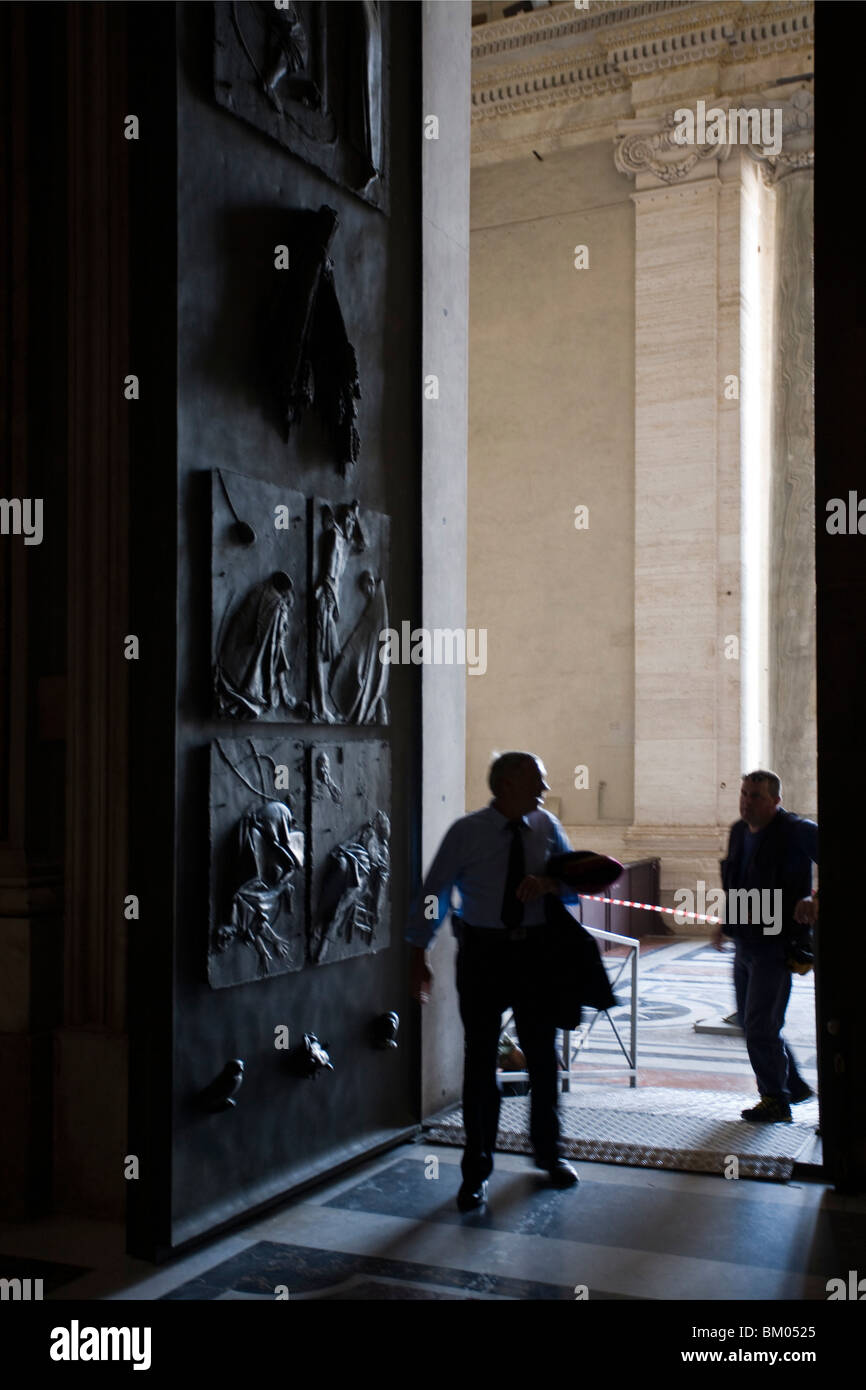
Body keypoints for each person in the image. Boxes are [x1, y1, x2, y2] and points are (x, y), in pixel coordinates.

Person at [406, 751, 582, 1211]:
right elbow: (434, 894)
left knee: (543, 1057)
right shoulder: (466, 833)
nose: (544, 790)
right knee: (481, 1060)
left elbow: (573, 888)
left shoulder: (548, 827)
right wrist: (417, 952)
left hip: (537, 953)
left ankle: (550, 1154)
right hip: (483, 954)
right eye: (536, 782)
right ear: (505, 785)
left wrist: (549, 885)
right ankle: (475, 1172)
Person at [712, 770, 818, 1122]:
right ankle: (793, 1085)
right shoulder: (739, 831)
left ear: (776, 800)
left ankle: (775, 1100)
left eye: (755, 796)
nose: (746, 801)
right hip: (745, 941)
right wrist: (724, 925)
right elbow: (737, 881)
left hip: (775, 945)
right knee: (750, 1019)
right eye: (743, 793)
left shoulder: (796, 830)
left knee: (760, 1024)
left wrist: (814, 898)